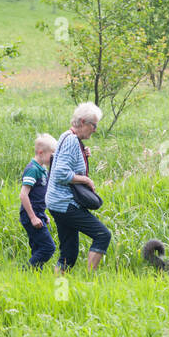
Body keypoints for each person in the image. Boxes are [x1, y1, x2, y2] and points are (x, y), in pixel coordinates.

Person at [46, 103, 111, 272]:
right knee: (102, 235)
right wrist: (86, 180)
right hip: (65, 203)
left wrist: (82, 153)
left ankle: (58, 293)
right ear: (82, 122)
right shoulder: (72, 141)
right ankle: (90, 278)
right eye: (94, 125)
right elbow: (60, 172)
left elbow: (59, 161)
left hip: (56, 202)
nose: (95, 130)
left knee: (68, 256)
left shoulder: (67, 136)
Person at [19, 133, 57, 268]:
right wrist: (33, 217)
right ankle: (25, 270)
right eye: (51, 155)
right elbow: (23, 195)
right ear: (41, 152)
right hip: (30, 215)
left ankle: (34, 277)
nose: (53, 158)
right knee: (48, 248)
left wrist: (43, 214)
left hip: (38, 213)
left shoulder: (42, 170)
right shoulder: (33, 169)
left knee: (37, 247)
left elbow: (38, 196)